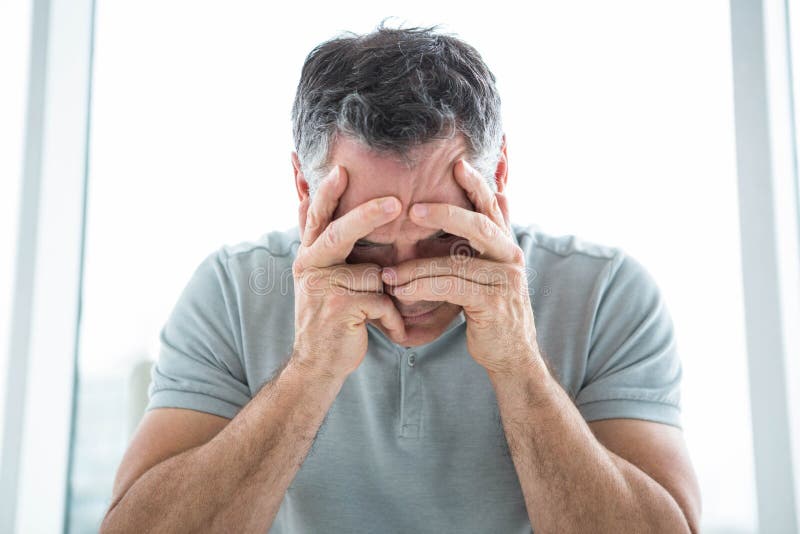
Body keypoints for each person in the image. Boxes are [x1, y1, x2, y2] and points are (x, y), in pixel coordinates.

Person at [101, 22, 701, 533]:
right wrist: (310, 371)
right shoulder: (231, 290)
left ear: (500, 177)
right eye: (366, 245)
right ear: (306, 191)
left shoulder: (609, 293)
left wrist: (519, 365)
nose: (409, 282)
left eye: (445, 238)